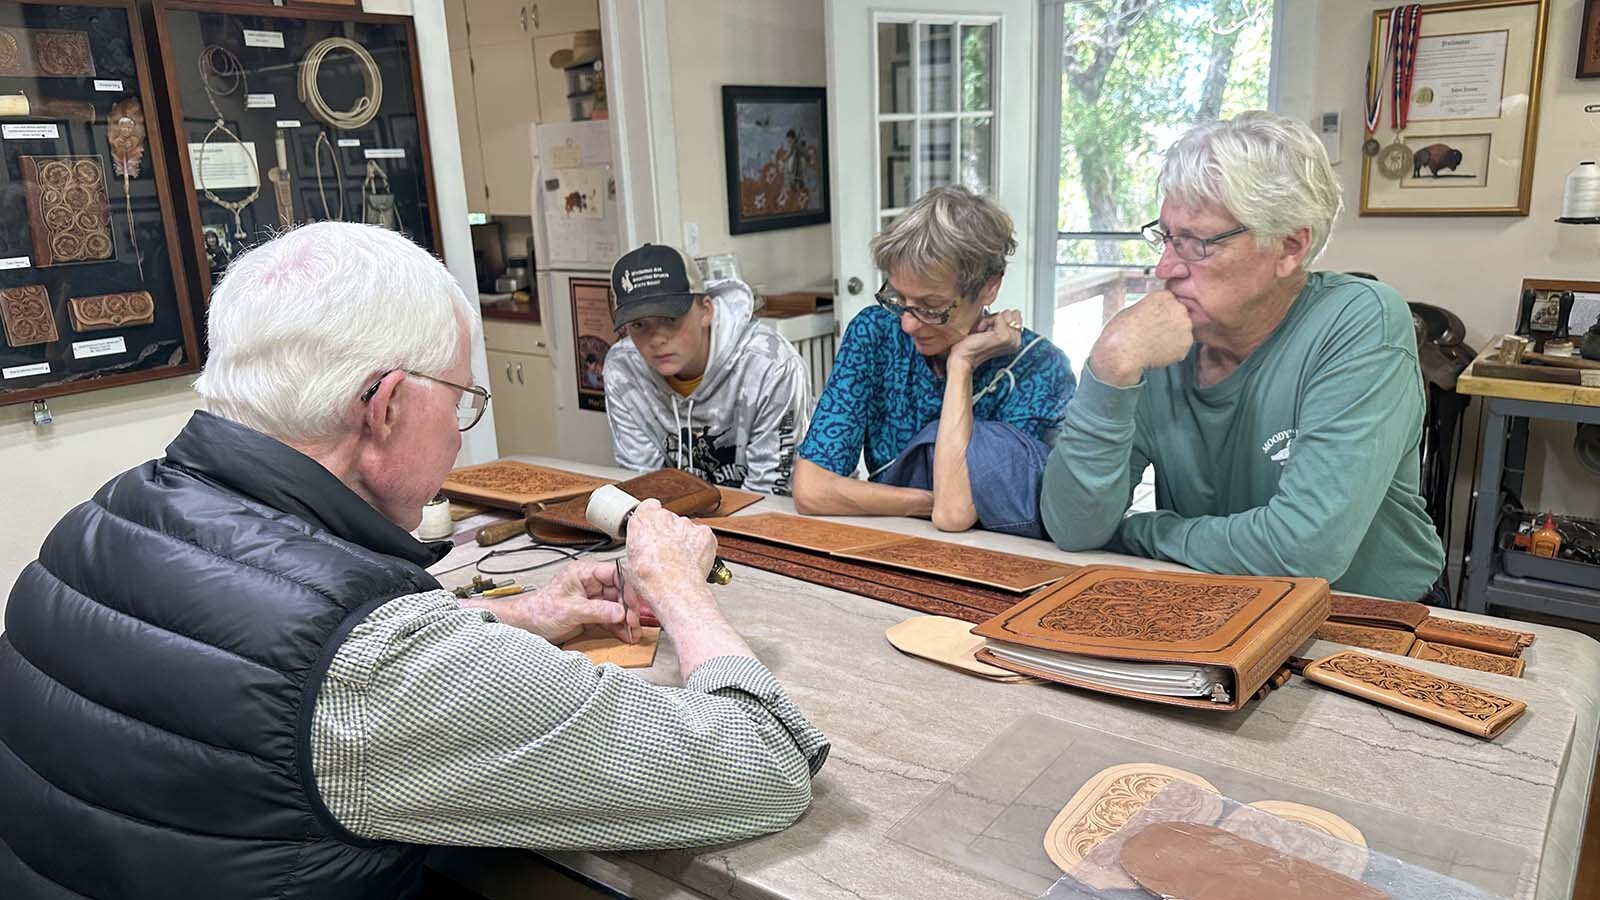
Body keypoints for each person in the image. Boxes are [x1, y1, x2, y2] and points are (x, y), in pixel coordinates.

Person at [0, 223, 828, 899]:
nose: (463, 431)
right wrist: (678, 586)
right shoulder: (373, 669)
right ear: (389, 407)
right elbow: (765, 764)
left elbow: (241, 658)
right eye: (465, 400)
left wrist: (510, 614)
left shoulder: (92, 526)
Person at [1040, 111, 1445, 602]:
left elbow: (1303, 552)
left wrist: (1143, 533)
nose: (1165, 267)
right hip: (1214, 601)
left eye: (1197, 243)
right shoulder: (1165, 340)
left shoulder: (1361, 320)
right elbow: (1073, 529)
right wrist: (1109, 366)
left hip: (1371, 616)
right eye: (1167, 237)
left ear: (1290, 246)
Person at [791, 186, 1076, 537]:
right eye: (898, 298)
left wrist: (962, 365)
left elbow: (954, 513)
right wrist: (925, 501)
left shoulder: (1039, 368)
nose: (908, 323)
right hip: (898, 539)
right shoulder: (876, 333)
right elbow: (811, 489)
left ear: (989, 288)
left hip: (1003, 555)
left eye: (930, 307)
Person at [604, 243, 812, 495]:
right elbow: (641, 482)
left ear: (706, 310)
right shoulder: (622, 368)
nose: (656, 339)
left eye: (670, 319)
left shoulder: (771, 365)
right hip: (678, 519)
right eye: (638, 325)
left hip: (769, 515)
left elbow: (771, 492)